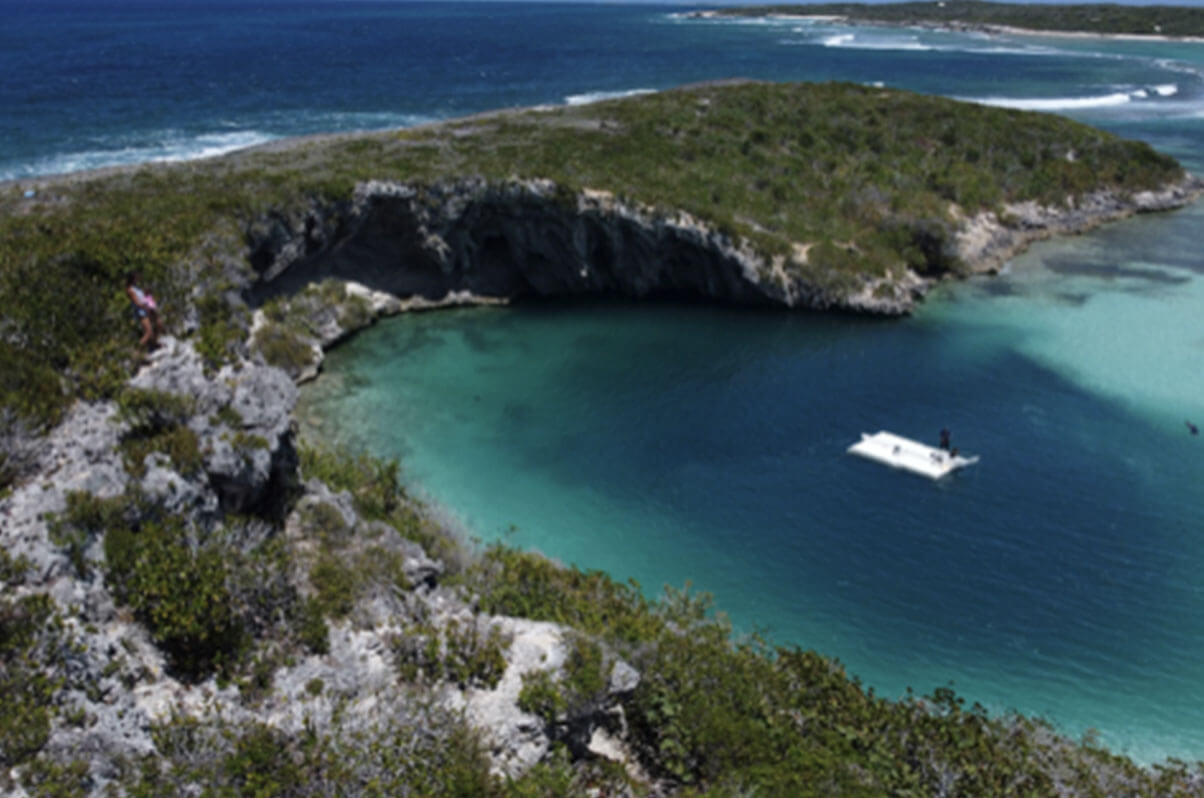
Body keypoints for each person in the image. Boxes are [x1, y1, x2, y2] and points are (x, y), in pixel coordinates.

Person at [125, 272, 162, 352]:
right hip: (141, 311)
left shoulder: (137, 287)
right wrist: (146, 306)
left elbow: (142, 297)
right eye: (136, 277)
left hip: (146, 308)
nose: (138, 279)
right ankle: (136, 352)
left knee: (159, 324)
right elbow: (137, 302)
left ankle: (154, 343)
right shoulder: (130, 289)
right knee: (148, 332)